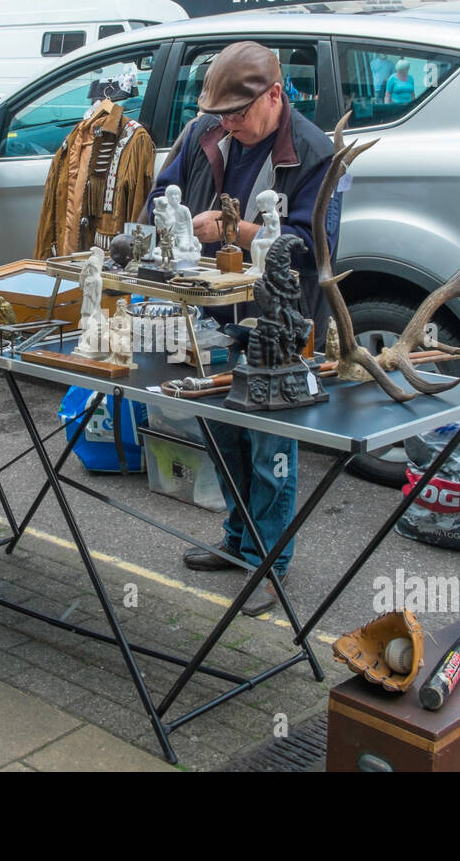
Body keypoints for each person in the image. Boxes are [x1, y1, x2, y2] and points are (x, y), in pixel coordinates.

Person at [145, 41, 341, 617]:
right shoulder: (203, 134)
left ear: (275, 95)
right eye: (220, 114)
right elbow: (159, 197)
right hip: (210, 315)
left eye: (238, 113)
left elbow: (312, 248)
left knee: (269, 446)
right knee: (222, 433)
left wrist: (234, 231)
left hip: (279, 323)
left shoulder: (314, 152)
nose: (227, 123)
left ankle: (270, 564)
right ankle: (237, 543)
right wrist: (178, 222)